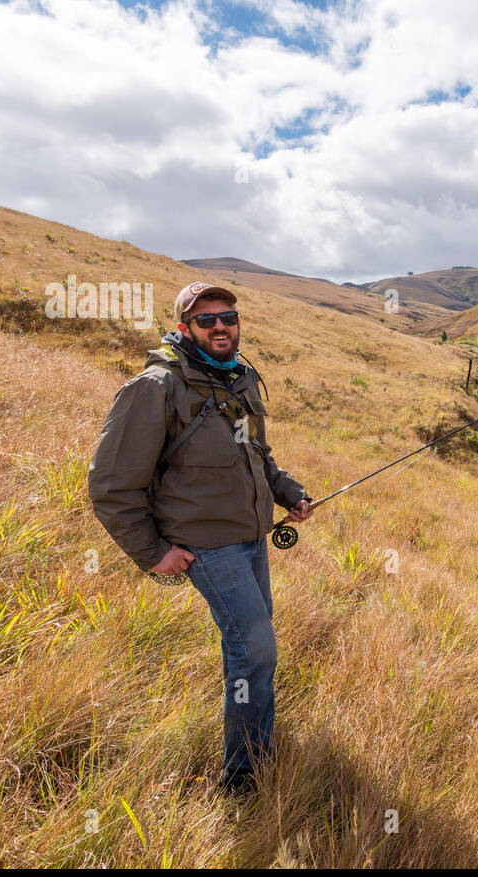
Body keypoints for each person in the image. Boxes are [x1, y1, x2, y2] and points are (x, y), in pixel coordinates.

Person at [88, 281, 313, 793]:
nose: (219, 326)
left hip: (253, 538)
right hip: (207, 548)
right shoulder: (155, 387)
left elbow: (258, 455)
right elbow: (110, 485)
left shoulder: (242, 378)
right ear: (185, 327)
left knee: (251, 648)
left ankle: (258, 743)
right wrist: (151, 553)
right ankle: (244, 778)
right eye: (206, 319)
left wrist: (289, 493)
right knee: (255, 650)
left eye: (227, 317)